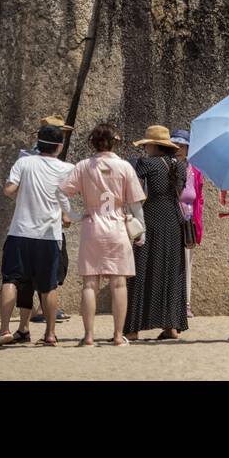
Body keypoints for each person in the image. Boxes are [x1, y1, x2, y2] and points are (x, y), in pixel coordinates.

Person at [59, 122, 145, 347]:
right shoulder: (125, 167)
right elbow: (136, 204)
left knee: (89, 284)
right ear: (114, 141)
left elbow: (62, 191)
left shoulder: (83, 165)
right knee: (119, 284)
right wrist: (140, 231)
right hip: (117, 226)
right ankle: (118, 336)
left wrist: (74, 214)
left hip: (92, 226)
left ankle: (88, 336)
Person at [0, 124, 73, 346]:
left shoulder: (23, 162)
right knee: (49, 286)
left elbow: (8, 190)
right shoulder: (67, 168)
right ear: (59, 146)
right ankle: (50, 334)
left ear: (38, 143)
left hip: (20, 232)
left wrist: (24, 192)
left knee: (11, 279)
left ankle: (5, 329)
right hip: (49, 236)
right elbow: (69, 196)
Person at [125, 126, 189, 341]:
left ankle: (133, 328)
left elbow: (133, 184)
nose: (145, 148)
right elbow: (179, 192)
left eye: (147, 144)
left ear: (154, 145)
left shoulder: (147, 163)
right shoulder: (180, 166)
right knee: (172, 271)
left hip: (151, 216)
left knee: (141, 270)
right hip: (172, 220)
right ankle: (171, 326)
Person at [171, 128, 204, 318]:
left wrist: (198, 227)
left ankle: (186, 304)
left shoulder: (195, 171)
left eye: (182, 145)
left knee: (186, 265)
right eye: (175, 145)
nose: (178, 149)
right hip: (168, 220)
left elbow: (198, 199)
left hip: (187, 222)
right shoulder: (166, 166)